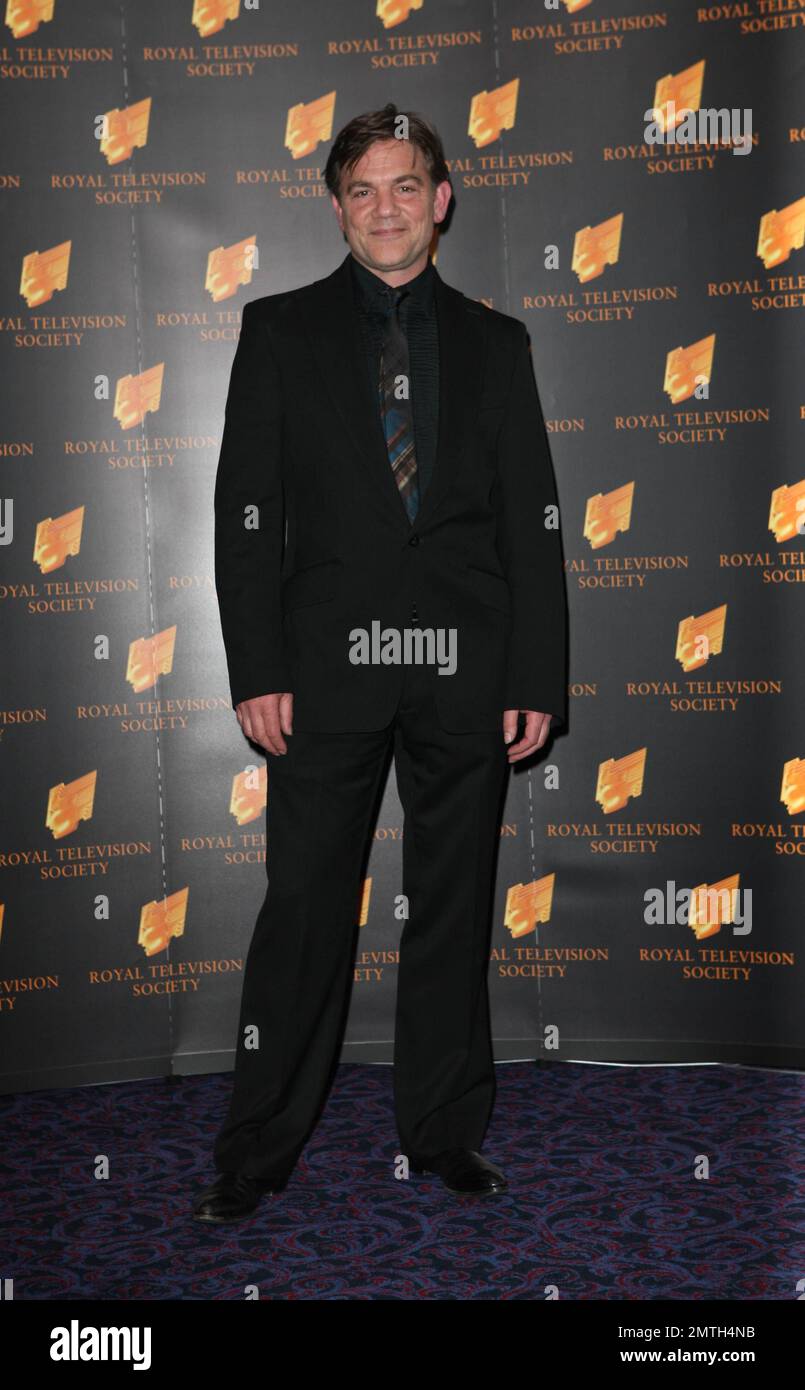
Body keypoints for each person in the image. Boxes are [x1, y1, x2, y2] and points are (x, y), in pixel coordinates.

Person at [193, 103, 568, 1223]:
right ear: (338, 205)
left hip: (467, 668)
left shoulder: (500, 346)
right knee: (305, 907)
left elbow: (531, 520)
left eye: (407, 185)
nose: (387, 207)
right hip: (323, 673)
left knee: (452, 909)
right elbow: (245, 519)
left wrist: (535, 678)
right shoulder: (278, 332)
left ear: (441, 200)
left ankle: (447, 1134)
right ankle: (255, 1151)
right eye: (363, 189)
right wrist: (257, 664)